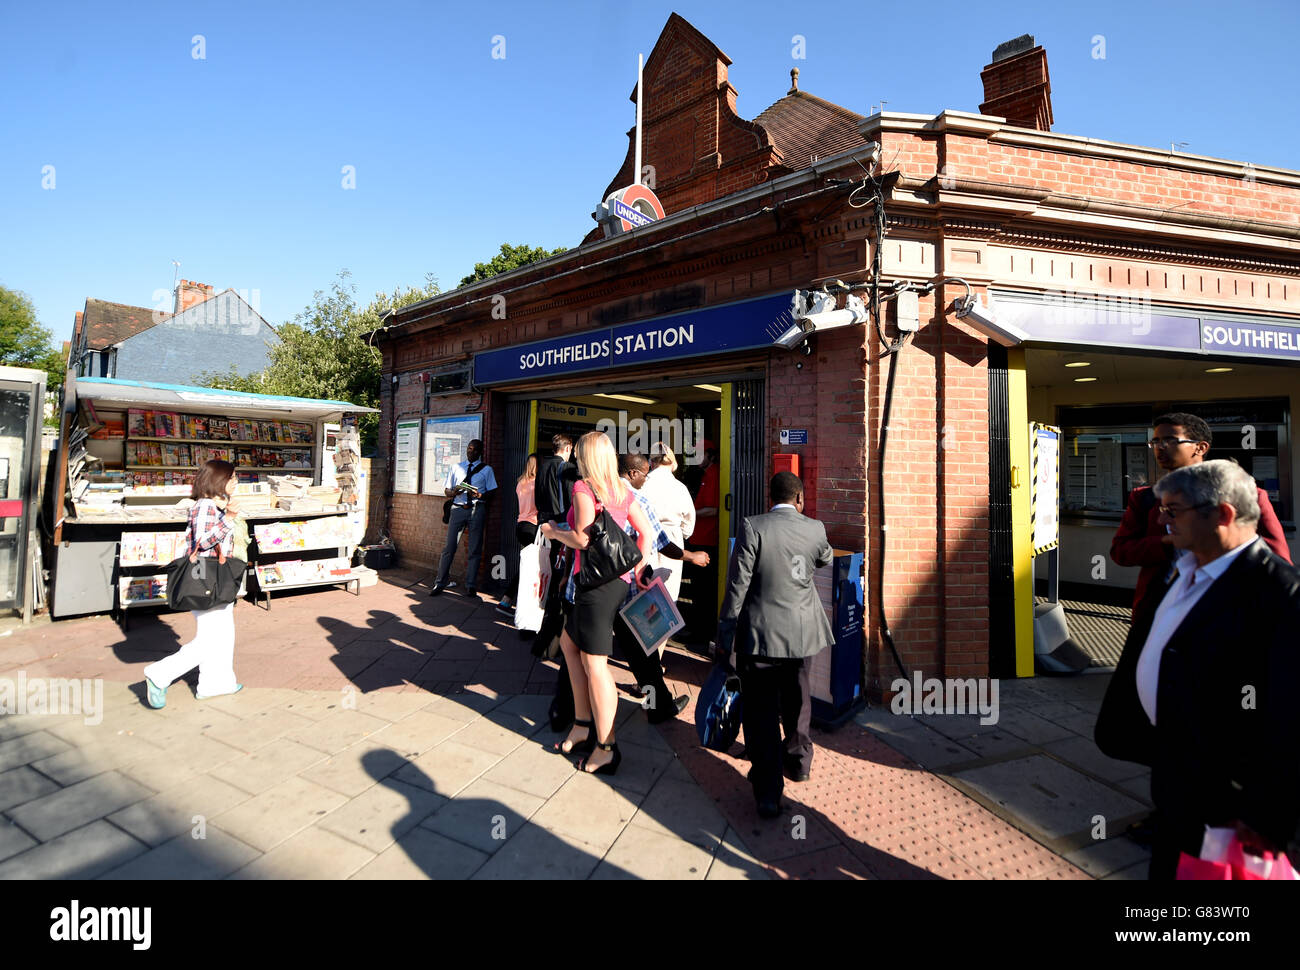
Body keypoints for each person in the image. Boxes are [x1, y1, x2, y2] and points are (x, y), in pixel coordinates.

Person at [1095, 460, 1300, 879]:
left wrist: (1264, 813)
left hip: (1228, 796)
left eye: (1174, 511)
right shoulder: (1182, 569)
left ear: (1223, 514)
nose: (1162, 520)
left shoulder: (1279, 594)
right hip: (1175, 770)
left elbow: (1291, 717)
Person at [716, 471, 833, 818]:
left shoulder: (753, 526)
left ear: (771, 497)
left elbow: (738, 585)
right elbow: (825, 558)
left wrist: (725, 633)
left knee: (761, 711)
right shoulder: (815, 528)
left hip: (761, 635)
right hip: (802, 633)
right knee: (798, 698)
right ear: (799, 499)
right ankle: (799, 764)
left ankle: (768, 793)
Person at [540, 432, 656, 775]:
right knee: (568, 644)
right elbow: (645, 531)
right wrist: (637, 568)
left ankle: (606, 746)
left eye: (578, 453)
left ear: (585, 456)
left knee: (596, 664)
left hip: (595, 587)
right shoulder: (621, 489)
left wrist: (553, 533)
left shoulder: (583, 488)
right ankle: (581, 724)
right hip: (610, 583)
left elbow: (582, 537)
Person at [1111, 412, 1290, 616]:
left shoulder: (1246, 495)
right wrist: (1167, 543)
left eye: (1170, 440)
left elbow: (1277, 559)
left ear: (1201, 447)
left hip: (1227, 612)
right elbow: (1120, 551)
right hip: (1157, 609)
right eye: (1156, 441)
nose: (1160, 447)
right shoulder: (1145, 498)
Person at [143, 460, 245, 708]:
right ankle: (159, 675)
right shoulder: (205, 506)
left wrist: (228, 513)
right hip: (204, 578)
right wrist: (229, 517)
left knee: (222, 636)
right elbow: (204, 541)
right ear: (219, 481)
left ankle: (217, 684)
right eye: (232, 478)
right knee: (211, 640)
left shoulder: (214, 506)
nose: (236, 482)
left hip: (213, 578)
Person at [430, 438, 497, 597]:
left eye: (474, 450)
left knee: (474, 549)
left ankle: (470, 585)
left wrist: (481, 494)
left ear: (480, 452)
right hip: (458, 509)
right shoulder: (456, 467)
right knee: (449, 547)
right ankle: (440, 582)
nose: (470, 452)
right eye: (469, 449)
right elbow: (447, 491)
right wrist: (455, 492)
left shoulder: (487, 470)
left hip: (476, 509)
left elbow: (493, 491)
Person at [640, 442, 698, 602]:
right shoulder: (680, 488)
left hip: (646, 541)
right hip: (673, 541)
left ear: (651, 462)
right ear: (672, 463)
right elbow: (689, 526)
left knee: (643, 595)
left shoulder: (642, 484)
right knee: (667, 599)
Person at [683, 439, 720, 644]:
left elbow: (714, 509)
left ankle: (702, 633)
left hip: (707, 541)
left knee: (703, 592)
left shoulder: (714, 474)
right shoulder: (707, 474)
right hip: (700, 537)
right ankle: (697, 631)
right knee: (698, 590)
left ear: (709, 454)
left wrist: (690, 513)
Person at [497, 453, 540, 616]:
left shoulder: (520, 483)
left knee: (528, 565)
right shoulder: (536, 484)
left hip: (520, 525)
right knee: (529, 567)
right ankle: (506, 600)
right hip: (532, 527)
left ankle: (509, 600)